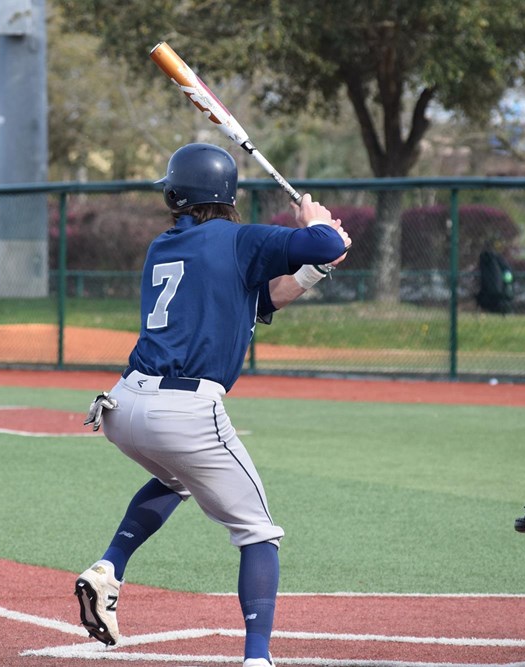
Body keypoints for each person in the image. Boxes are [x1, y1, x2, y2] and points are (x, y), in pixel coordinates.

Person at [74, 143, 351, 667]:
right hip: (184, 410)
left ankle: (109, 568)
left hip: (124, 404)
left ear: (179, 194)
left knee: (176, 480)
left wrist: (319, 263)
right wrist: (317, 226)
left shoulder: (168, 244)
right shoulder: (238, 239)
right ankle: (258, 660)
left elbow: (263, 298)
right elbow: (319, 239)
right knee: (258, 532)